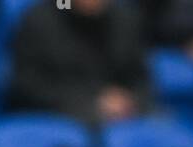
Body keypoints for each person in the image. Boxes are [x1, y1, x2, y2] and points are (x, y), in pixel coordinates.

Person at [8, 0, 151, 124]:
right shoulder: (39, 20)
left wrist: (129, 100)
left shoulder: (125, 19)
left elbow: (140, 77)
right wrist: (93, 102)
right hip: (60, 113)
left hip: (123, 114)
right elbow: (28, 85)